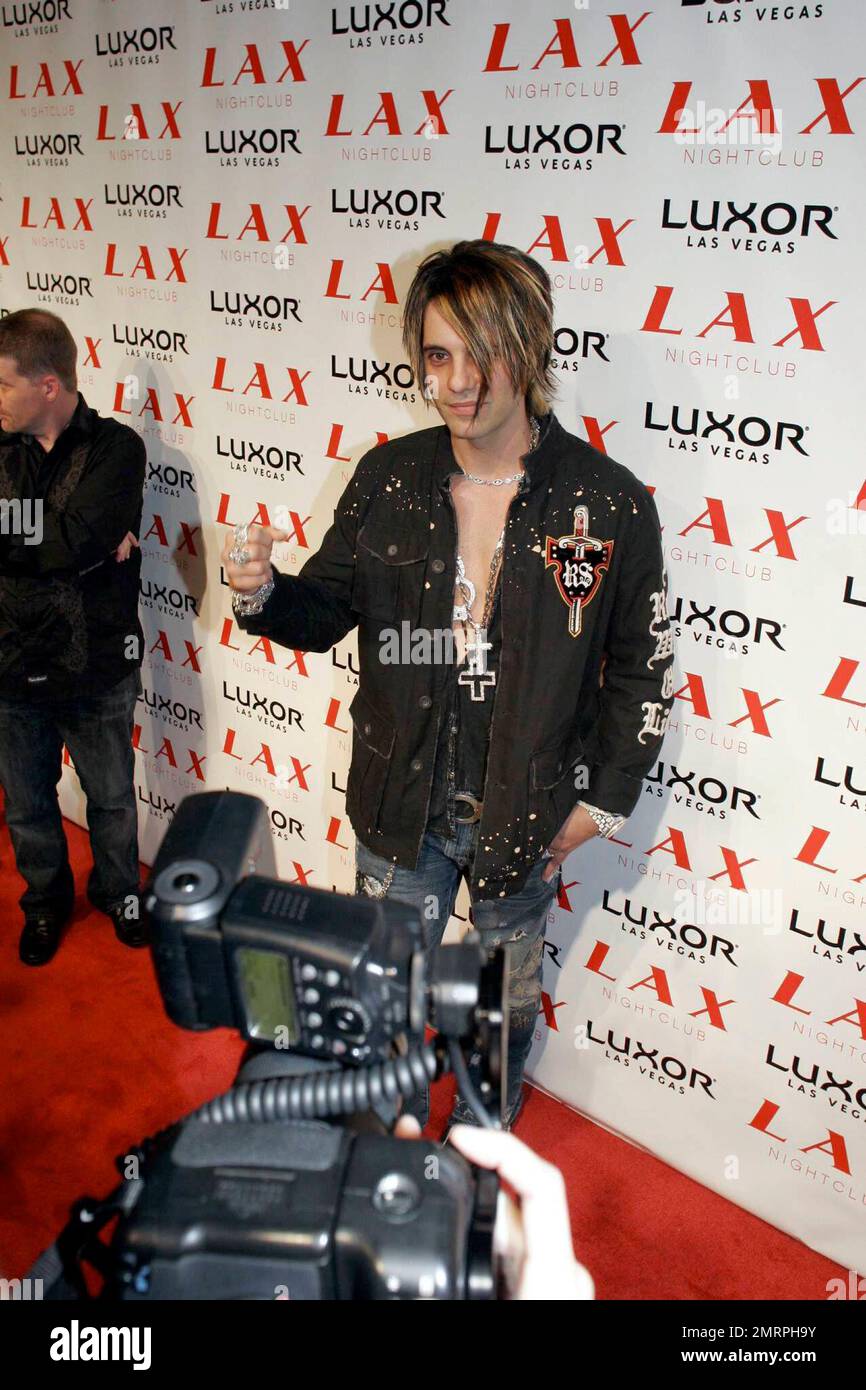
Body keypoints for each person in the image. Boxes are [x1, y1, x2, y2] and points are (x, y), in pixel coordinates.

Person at [222, 239, 675, 1131]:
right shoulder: (390, 477)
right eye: (437, 354)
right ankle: (384, 1147)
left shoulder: (609, 501)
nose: (457, 380)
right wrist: (263, 595)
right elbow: (325, 612)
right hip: (403, 798)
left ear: (532, 347)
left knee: (500, 1006)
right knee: (383, 993)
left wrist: (603, 807)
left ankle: (481, 1139)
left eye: (481, 351)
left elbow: (642, 669)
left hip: (528, 806)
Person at [0, 309, 147, 964]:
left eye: (3, 385)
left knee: (113, 800)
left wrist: (70, 538)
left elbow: (75, 540)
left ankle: (120, 893)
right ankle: (45, 903)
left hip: (97, 666)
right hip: (9, 667)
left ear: (49, 385)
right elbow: (71, 541)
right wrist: (75, 538)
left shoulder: (118, 449)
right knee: (29, 806)